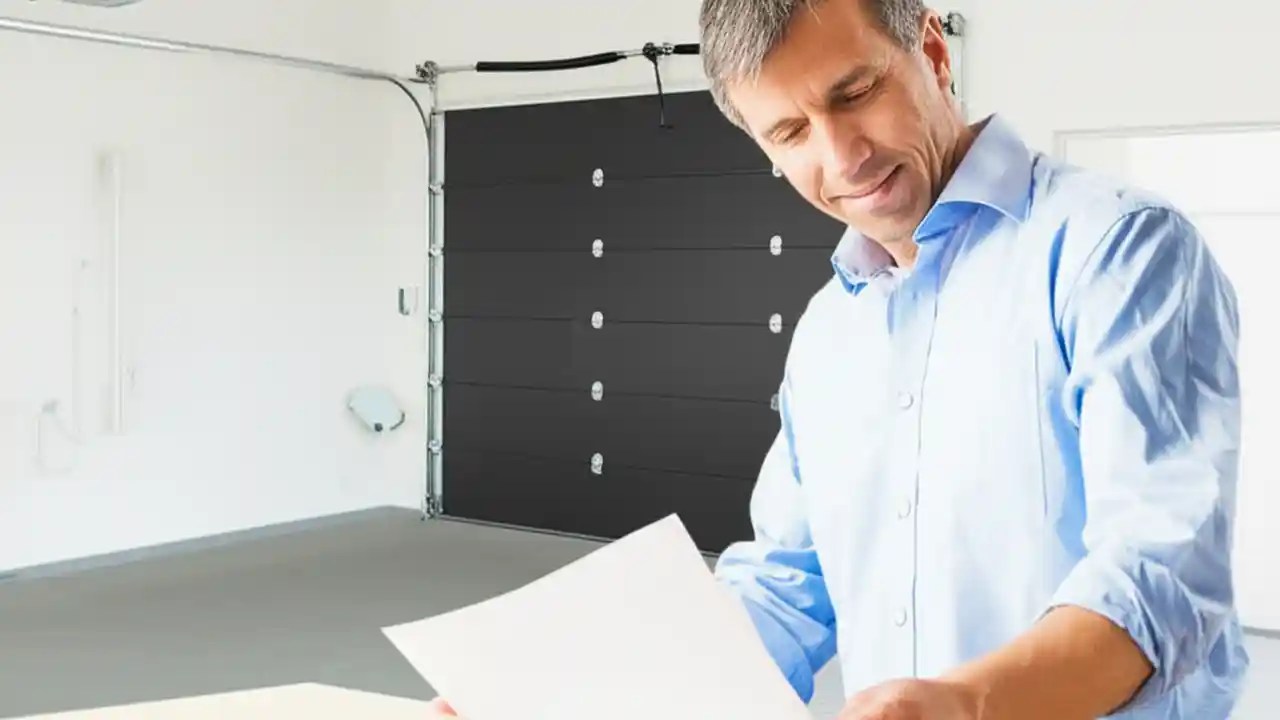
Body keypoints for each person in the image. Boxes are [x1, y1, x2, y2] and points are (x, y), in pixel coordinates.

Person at [428, 0, 1250, 717]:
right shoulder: (829, 331)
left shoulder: (1115, 251)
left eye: (855, 94)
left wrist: (970, 707)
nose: (842, 155)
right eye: (790, 132)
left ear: (932, 50)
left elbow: (1161, 575)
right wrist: (565, 703)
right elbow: (786, 583)